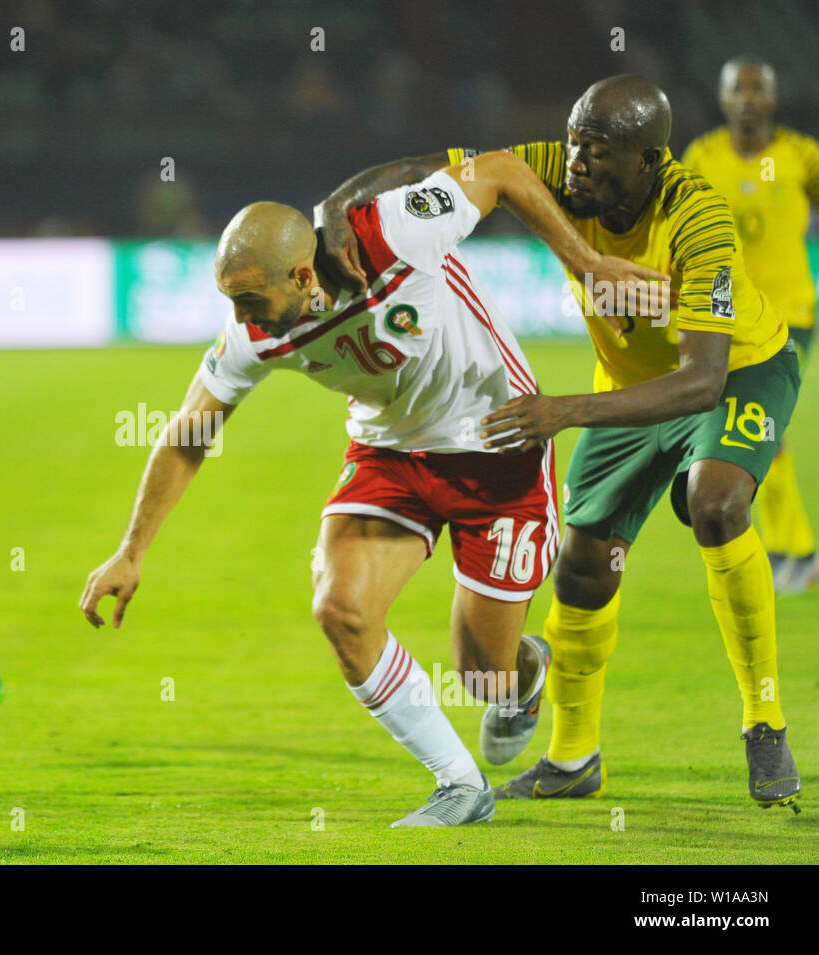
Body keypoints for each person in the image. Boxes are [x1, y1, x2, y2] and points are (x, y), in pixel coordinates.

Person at [80, 149, 660, 826]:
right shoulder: (253, 332)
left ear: (302, 274)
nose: (242, 317)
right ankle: (460, 786)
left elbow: (498, 170)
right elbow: (188, 432)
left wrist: (587, 266)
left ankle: (520, 680)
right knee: (341, 608)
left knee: (483, 673)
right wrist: (132, 548)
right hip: (390, 455)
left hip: (498, 448)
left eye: (249, 298)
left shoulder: (393, 235)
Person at [317, 74, 801, 811]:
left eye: (599, 154)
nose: (577, 163)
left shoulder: (699, 219)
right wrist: (337, 211)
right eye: (575, 143)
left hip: (739, 372)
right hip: (627, 385)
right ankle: (574, 757)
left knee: (717, 502)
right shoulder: (557, 167)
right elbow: (424, 170)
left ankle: (764, 720)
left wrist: (562, 411)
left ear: (649, 162)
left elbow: (701, 382)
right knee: (581, 568)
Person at [683, 56, 819, 594]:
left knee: (769, 429)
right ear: (721, 98)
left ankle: (799, 549)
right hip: (730, 319)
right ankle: (793, 550)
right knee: (757, 431)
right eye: (736, 88)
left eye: (756, 88)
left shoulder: (800, 155)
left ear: (772, 97)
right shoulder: (703, 157)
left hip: (791, 315)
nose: (747, 97)